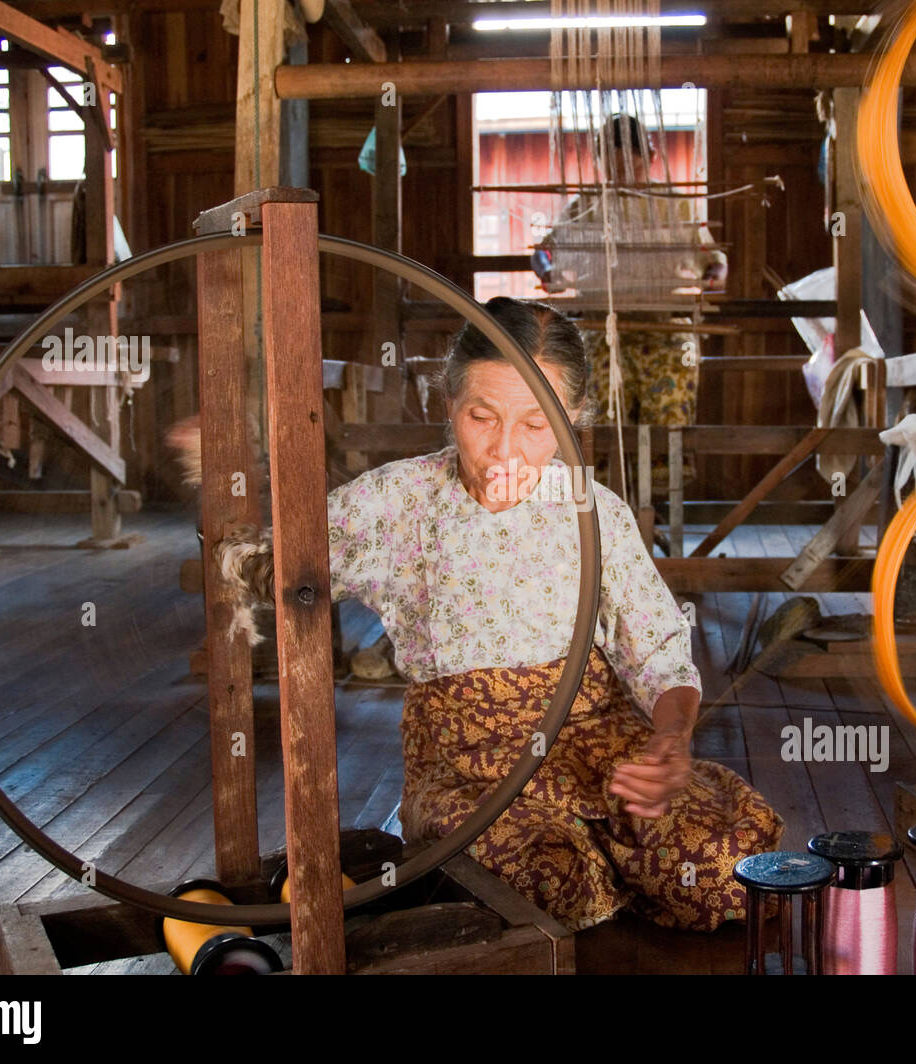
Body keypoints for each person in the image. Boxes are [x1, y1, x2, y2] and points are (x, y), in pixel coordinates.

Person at [196, 296, 784, 932]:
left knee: (725, 868)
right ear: (449, 404)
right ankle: (589, 874)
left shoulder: (594, 511)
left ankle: (627, 863)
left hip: (600, 746)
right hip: (467, 764)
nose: (506, 448)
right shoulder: (399, 502)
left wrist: (669, 740)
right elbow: (282, 568)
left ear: (573, 419)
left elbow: (660, 652)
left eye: (538, 425)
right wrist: (226, 495)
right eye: (483, 416)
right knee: (545, 881)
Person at [532, 114, 727, 494]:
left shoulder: (674, 206)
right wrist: (548, 272)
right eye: (613, 163)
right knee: (596, 427)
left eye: (631, 162)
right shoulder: (586, 207)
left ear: (651, 157)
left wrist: (712, 278)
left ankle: (658, 508)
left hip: (665, 332)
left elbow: (714, 257)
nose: (622, 172)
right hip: (599, 333)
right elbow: (544, 253)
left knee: (664, 429)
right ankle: (602, 510)